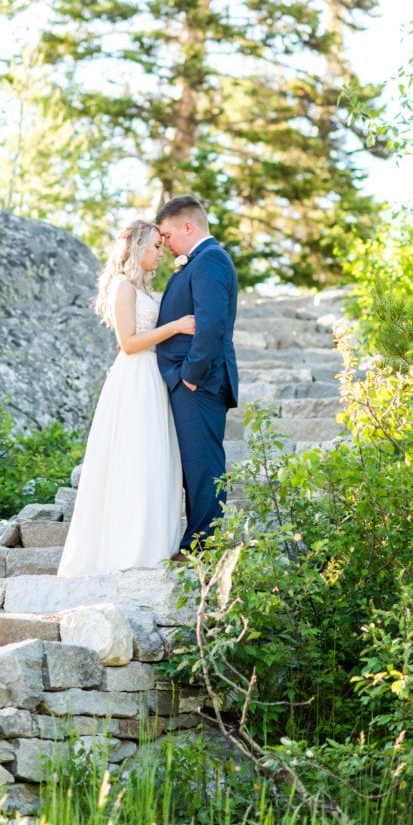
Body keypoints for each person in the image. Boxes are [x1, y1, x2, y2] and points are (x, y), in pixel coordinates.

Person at [57, 220, 196, 576]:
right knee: (136, 457)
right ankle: (127, 549)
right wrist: (177, 326)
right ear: (135, 249)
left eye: (161, 246)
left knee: (155, 459)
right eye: (154, 247)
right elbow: (130, 343)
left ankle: (151, 544)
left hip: (155, 377)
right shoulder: (122, 287)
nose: (160, 253)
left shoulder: (143, 288)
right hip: (135, 379)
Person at [156, 196, 238, 559]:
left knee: (203, 463)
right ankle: (197, 540)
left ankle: (204, 545)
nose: (166, 244)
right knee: (193, 463)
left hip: (199, 382)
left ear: (188, 227)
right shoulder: (200, 262)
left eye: (168, 235)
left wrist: (190, 374)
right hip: (189, 380)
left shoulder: (211, 261)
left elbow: (212, 323)